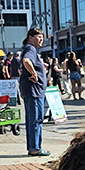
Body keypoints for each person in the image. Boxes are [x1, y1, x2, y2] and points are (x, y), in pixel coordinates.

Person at [20, 27, 49, 156]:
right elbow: (26, 60)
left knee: (33, 120)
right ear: (30, 37)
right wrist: (34, 74)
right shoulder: (30, 49)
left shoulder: (30, 50)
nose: (41, 39)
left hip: (33, 91)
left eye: (42, 37)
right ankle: (35, 148)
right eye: (38, 37)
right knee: (36, 120)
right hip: (34, 91)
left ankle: (34, 146)